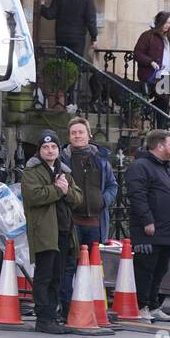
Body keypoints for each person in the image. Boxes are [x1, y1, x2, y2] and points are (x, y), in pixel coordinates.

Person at [22, 130, 83, 334]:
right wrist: (58, 190)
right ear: (39, 150)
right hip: (45, 231)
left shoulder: (64, 171)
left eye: (54, 147)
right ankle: (44, 317)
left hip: (64, 230)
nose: (50, 150)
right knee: (45, 275)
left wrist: (65, 191)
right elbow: (34, 196)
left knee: (58, 276)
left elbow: (77, 197)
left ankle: (53, 315)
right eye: (45, 147)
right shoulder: (33, 171)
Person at [58, 117, 118, 321]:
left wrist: (104, 200)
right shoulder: (62, 159)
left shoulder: (101, 160)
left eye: (80, 132)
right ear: (69, 136)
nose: (77, 136)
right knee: (69, 267)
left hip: (95, 224)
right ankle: (67, 310)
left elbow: (113, 185)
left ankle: (92, 311)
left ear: (89, 135)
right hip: (72, 223)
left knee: (92, 269)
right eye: (73, 133)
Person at [125, 129, 170, 323]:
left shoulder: (169, 167)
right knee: (145, 269)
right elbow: (137, 195)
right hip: (149, 231)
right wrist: (147, 220)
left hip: (168, 231)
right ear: (159, 146)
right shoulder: (141, 166)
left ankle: (153, 305)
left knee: (160, 269)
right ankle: (141, 306)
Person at [39, 0, 97, 108]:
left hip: (61, 37)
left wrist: (41, 7)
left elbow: (50, 14)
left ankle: (60, 99)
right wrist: (94, 37)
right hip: (77, 39)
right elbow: (91, 19)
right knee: (74, 69)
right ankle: (71, 100)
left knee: (62, 67)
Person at [133, 11, 170, 117]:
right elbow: (138, 54)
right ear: (159, 22)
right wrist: (150, 62)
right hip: (152, 74)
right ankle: (144, 112)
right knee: (162, 102)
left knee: (162, 102)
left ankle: (145, 112)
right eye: (165, 22)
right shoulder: (148, 36)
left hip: (165, 75)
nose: (168, 25)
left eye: (169, 23)